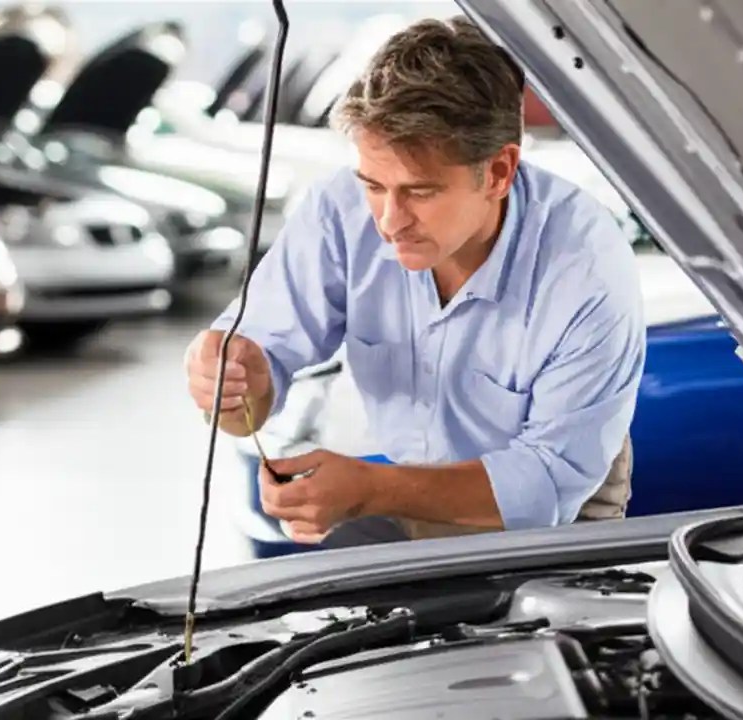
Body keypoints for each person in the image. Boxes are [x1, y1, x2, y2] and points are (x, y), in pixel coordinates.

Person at [184, 16, 645, 545]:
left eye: (420, 192)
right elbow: (250, 396)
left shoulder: (584, 262)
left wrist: (369, 489)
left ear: (498, 172)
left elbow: (547, 489)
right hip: (401, 485)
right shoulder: (339, 210)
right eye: (374, 185)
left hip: (557, 514)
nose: (388, 220)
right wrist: (237, 384)